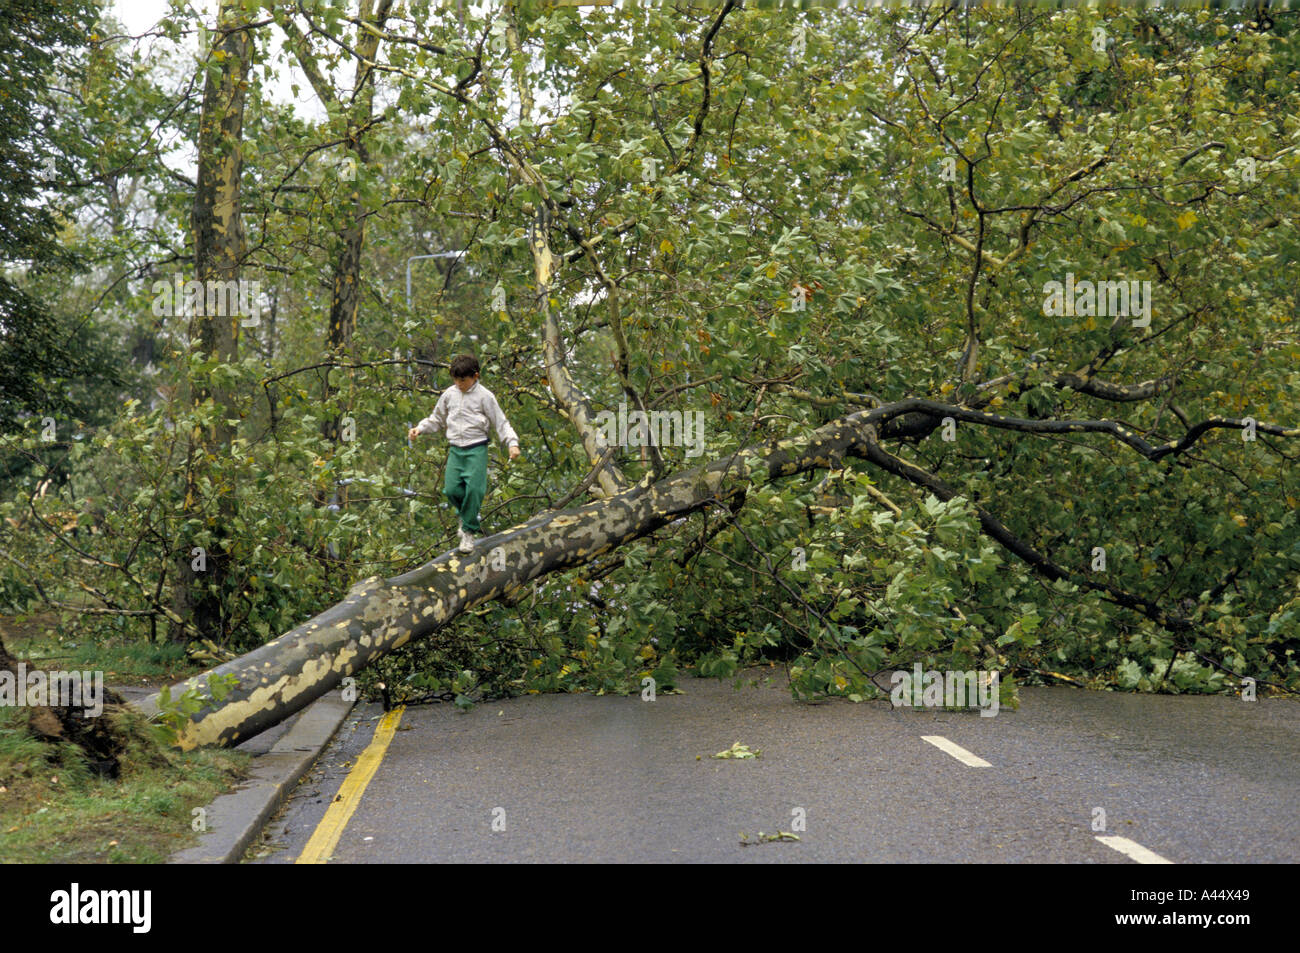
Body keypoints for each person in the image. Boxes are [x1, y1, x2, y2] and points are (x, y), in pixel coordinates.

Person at [408, 354, 520, 553]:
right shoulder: (449, 395)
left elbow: (500, 422)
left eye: (463, 380)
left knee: (475, 491)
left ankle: (468, 532)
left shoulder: (485, 396)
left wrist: (512, 443)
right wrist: (420, 428)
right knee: (451, 490)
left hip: (476, 448)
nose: (459, 384)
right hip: (456, 450)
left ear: (475, 376)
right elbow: (437, 419)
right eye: (455, 379)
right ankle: (466, 516)